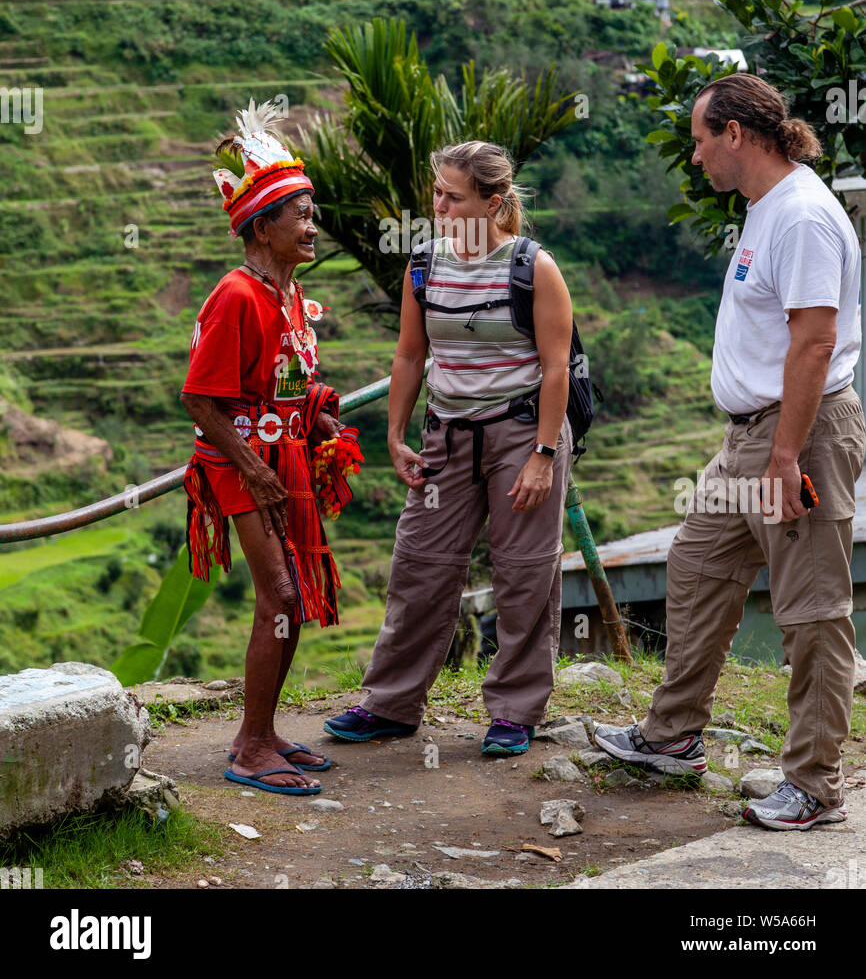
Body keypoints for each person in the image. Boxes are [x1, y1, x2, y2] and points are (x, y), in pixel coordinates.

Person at [594, 73, 866, 830]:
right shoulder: (765, 209)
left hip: (798, 436)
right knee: (699, 564)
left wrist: (785, 458)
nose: (696, 156)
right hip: (751, 438)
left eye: (699, 139)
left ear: (736, 134)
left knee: (812, 612)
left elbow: (813, 342)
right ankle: (674, 734)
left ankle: (814, 786)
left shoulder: (803, 216)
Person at [324, 140, 575, 756]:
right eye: (435, 192)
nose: (437, 205)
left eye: (452, 196)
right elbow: (410, 355)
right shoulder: (423, 267)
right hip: (447, 433)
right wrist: (394, 434)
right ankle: (390, 705)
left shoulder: (533, 266)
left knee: (524, 573)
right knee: (419, 566)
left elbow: (556, 367)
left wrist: (543, 454)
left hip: (521, 432)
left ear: (492, 202)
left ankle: (515, 712)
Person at [180, 99, 363, 797]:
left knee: (290, 595)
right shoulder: (237, 296)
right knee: (280, 594)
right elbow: (201, 397)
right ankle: (249, 747)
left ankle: (265, 734)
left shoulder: (285, 292)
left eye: (311, 212)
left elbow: (289, 383)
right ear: (262, 226)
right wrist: (255, 467)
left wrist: (316, 418)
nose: (311, 227)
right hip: (238, 466)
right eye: (300, 215)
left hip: (274, 462)